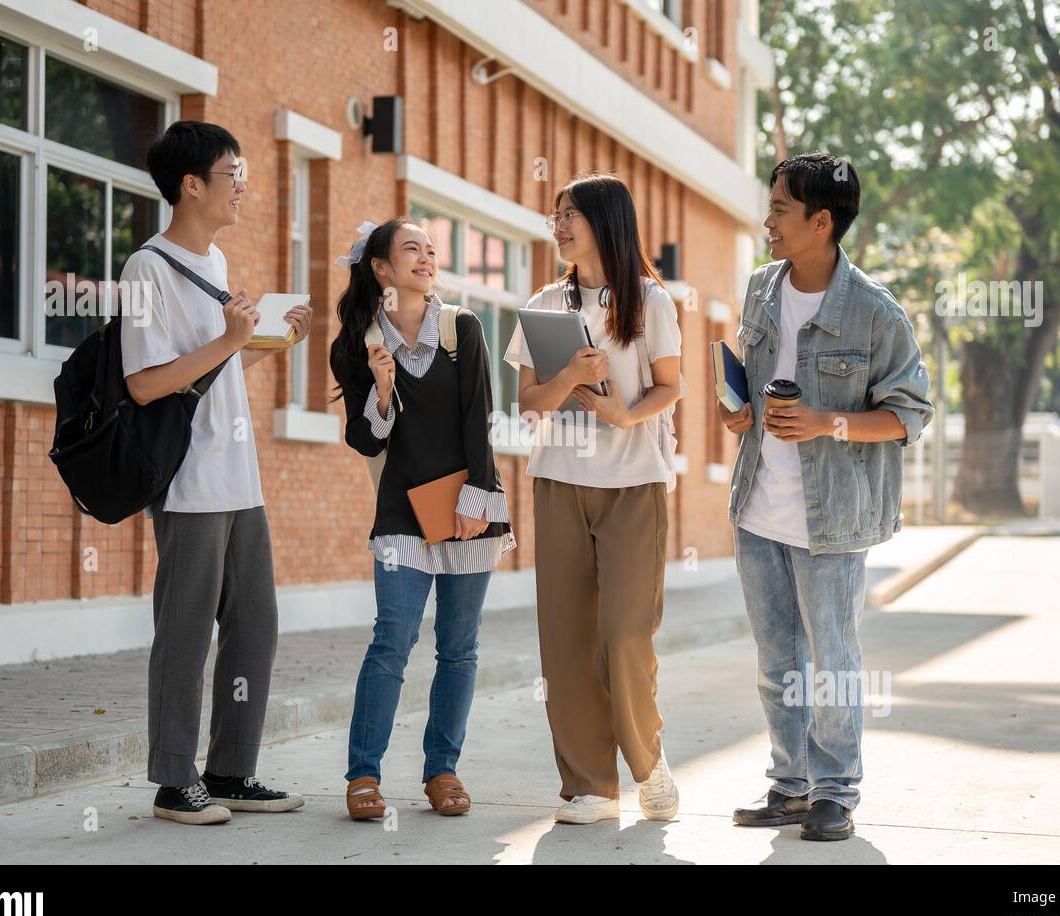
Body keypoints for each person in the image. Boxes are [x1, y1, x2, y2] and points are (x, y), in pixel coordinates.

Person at [721, 153, 934, 841]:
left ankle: (835, 790)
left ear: (821, 221)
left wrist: (825, 421)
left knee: (834, 656)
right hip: (759, 505)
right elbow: (754, 380)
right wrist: (738, 411)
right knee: (776, 657)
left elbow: (909, 414)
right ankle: (789, 784)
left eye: (780, 209)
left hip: (834, 517)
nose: (768, 220)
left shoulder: (874, 312)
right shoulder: (761, 288)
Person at [119, 120, 312, 824]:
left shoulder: (219, 264)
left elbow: (213, 367)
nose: (243, 187)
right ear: (191, 184)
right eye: (234, 173)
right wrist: (230, 338)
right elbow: (144, 383)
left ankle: (230, 769)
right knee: (186, 628)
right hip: (189, 480)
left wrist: (265, 343)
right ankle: (175, 779)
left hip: (239, 478)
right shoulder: (147, 267)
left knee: (254, 622)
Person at [504, 173, 684, 825]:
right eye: (555, 214)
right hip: (558, 480)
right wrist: (572, 378)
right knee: (566, 637)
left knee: (626, 631)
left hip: (634, 484)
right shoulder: (546, 303)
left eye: (570, 213)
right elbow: (527, 403)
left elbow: (670, 388)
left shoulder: (651, 304)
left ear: (606, 220)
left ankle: (647, 760)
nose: (559, 224)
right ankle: (589, 784)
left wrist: (623, 414)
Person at [329, 217, 514, 820]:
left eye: (431, 250)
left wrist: (474, 502)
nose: (427, 257)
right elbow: (363, 440)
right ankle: (363, 775)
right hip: (401, 514)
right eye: (412, 248)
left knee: (458, 649)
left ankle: (442, 770)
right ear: (381, 268)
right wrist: (381, 391)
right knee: (392, 641)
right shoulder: (357, 344)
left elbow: (478, 421)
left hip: (467, 508)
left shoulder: (462, 329)